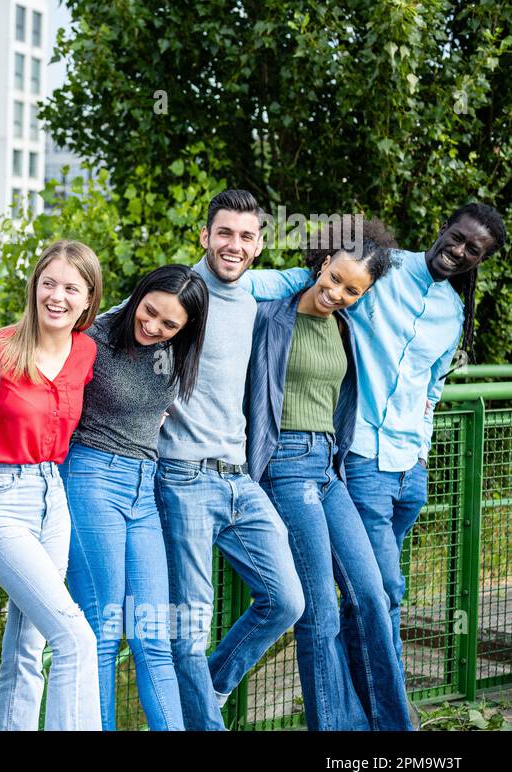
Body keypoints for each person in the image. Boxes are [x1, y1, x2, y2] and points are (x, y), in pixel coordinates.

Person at [249, 203, 506, 718]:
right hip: (361, 457)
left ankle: (360, 714)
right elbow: (298, 281)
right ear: (443, 229)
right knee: (383, 591)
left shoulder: (453, 312)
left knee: (370, 597)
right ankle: (391, 722)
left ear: (479, 260)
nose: (458, 252)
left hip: (410, 469)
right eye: (456, 238)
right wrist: (207, 279)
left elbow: (431, 387)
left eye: (472, 251)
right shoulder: (379, 269)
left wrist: (422, 454)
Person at [245, 221, 409, 731]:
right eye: (334, 277)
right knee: (319, 615)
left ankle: (391, 729)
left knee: (372, 595)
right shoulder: (267, 315)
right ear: (323, 262)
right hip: (286, 467)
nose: (336, 293)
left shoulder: (346, 326)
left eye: (352, 290)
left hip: (329, 466)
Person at [158, 189, 306, 731]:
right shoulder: (178, 290)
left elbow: (309, 276)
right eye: (224, 233)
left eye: (246, 237)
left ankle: (211, 687)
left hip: (240, 481)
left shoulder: (255, 287)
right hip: (183, 478)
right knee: (188, 626)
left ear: (259, 245)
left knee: (288, 601)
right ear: (204, 236)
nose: (234, 245)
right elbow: (98, 322)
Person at [62, 264, 209, 731]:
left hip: (144, 488)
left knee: (153, 637)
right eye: (149, 313)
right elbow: (27, 351)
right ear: (139, 295)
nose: (153, 328)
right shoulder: (94, 336)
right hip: (91, 478)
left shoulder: (174, 352)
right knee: (102, 632)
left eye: (169, 324)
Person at [0, 240, 103, 731]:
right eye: (49, 283)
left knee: (30, 645)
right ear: (34, 287)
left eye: (71, 288)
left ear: (88, 299)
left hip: (53, 498)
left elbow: (148, 322)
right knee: (75, 638)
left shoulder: (86, 350)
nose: (57, 297)